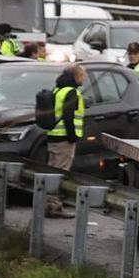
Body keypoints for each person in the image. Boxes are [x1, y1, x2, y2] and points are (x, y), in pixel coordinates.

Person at [44, 64, 87, 216]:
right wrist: (72, 136)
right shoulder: (71, 92)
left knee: (52, 170)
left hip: (53, 135)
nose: (84, 78)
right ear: (76, 76)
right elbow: (68, 116)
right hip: (64, 139)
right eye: (83, 75)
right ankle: (54, 207)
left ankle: (49, 203)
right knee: (60, 172)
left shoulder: (58, 89)